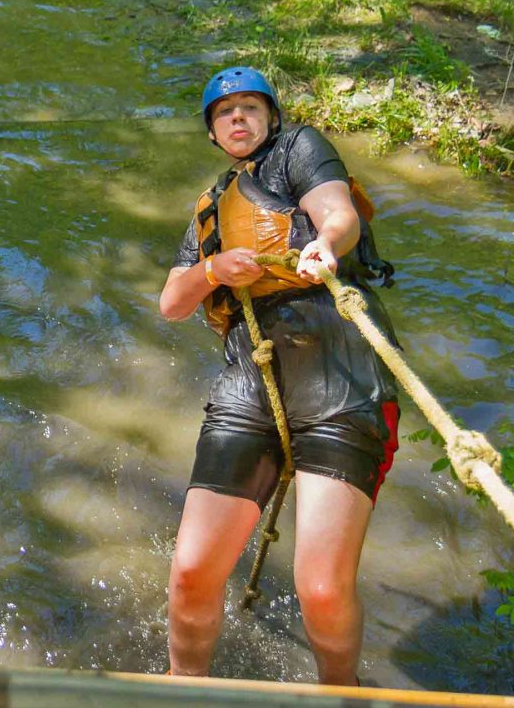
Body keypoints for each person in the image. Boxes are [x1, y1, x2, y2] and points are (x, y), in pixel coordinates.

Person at [157, 66, 399, 685]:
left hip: (337, 368)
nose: (237, 118)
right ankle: (185, 693)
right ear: (212, 132)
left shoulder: (299, 150)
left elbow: (336, 213)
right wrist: (214, 271)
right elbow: (171, 303)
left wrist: (326, 245)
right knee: (189, 573)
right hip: (251, 374)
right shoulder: (210, 209)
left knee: (320, 589)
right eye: (224, 112)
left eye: (249, 108)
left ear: (270, 118)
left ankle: (339, 693)